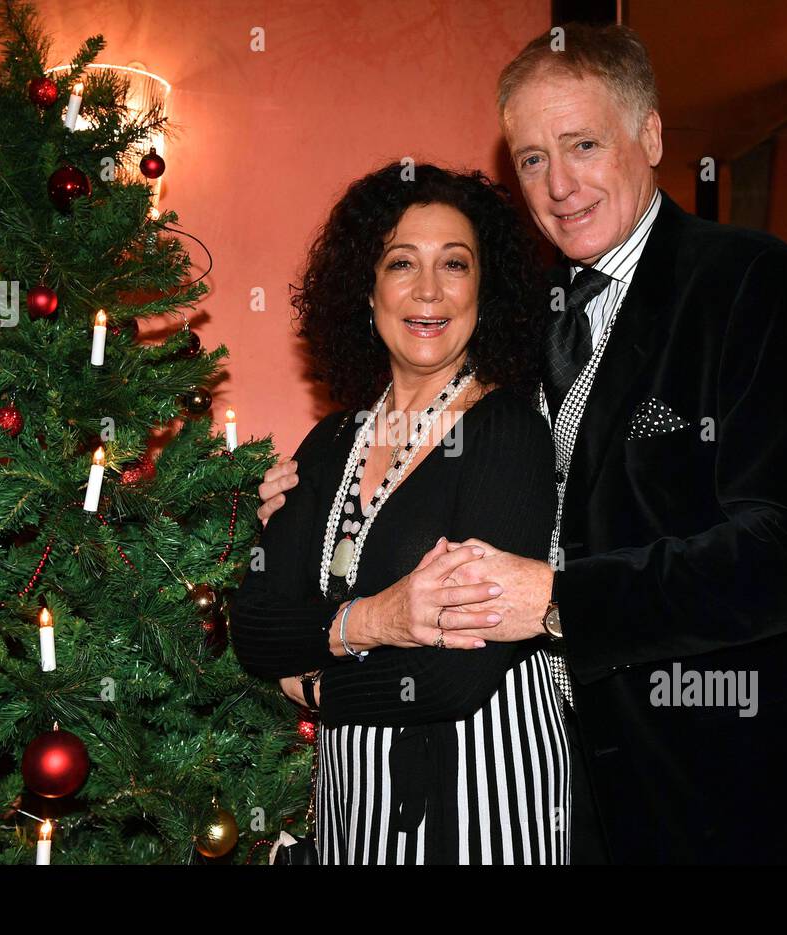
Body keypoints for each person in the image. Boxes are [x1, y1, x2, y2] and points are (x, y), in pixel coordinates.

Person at [257, 24, 787, 864]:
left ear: (649, 135)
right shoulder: (520, 315)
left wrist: (558, 600)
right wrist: (292, 512)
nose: (560, 185)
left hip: (735, 786)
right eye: (532, 158)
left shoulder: (750, 281)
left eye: (583, 144)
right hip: (574, 796)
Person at [232, 163, 571, 864]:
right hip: (352, 801)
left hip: (483, 801)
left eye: (455, 264)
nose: (427, 291)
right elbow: (256, 631)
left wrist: (318, 681)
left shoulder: (508, 431)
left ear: (487, 289)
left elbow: (456, 677)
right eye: (400, 263)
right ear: (367, 289)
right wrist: (373, 621)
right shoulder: (329, 443)